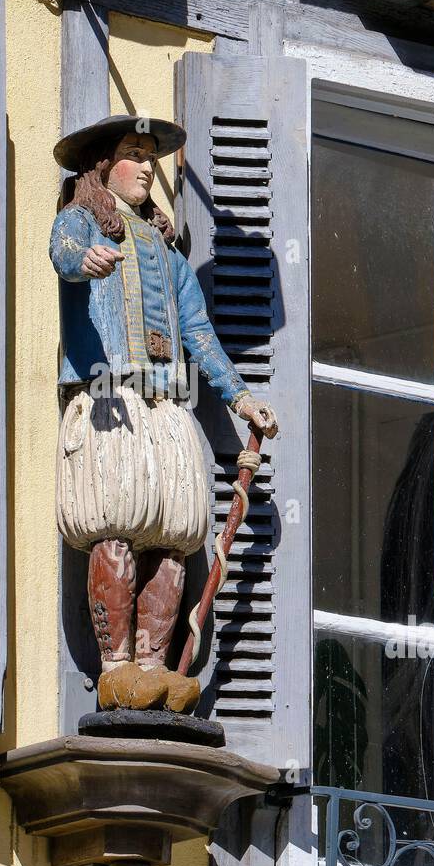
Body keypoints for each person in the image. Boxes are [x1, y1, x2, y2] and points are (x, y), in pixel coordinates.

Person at [50, 114, 278, 713]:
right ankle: (116, 666)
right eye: (133, 153)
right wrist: (86, 260)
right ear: (103, 166)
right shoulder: (82, 218)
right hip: (109, 398)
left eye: (152, 156)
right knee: (115, 524)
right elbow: (62, 249)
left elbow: (198, 330)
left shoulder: (163, 247)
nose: (148, 167)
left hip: (165, 404)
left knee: (173, 539)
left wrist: (240, 396)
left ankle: (153, 668)